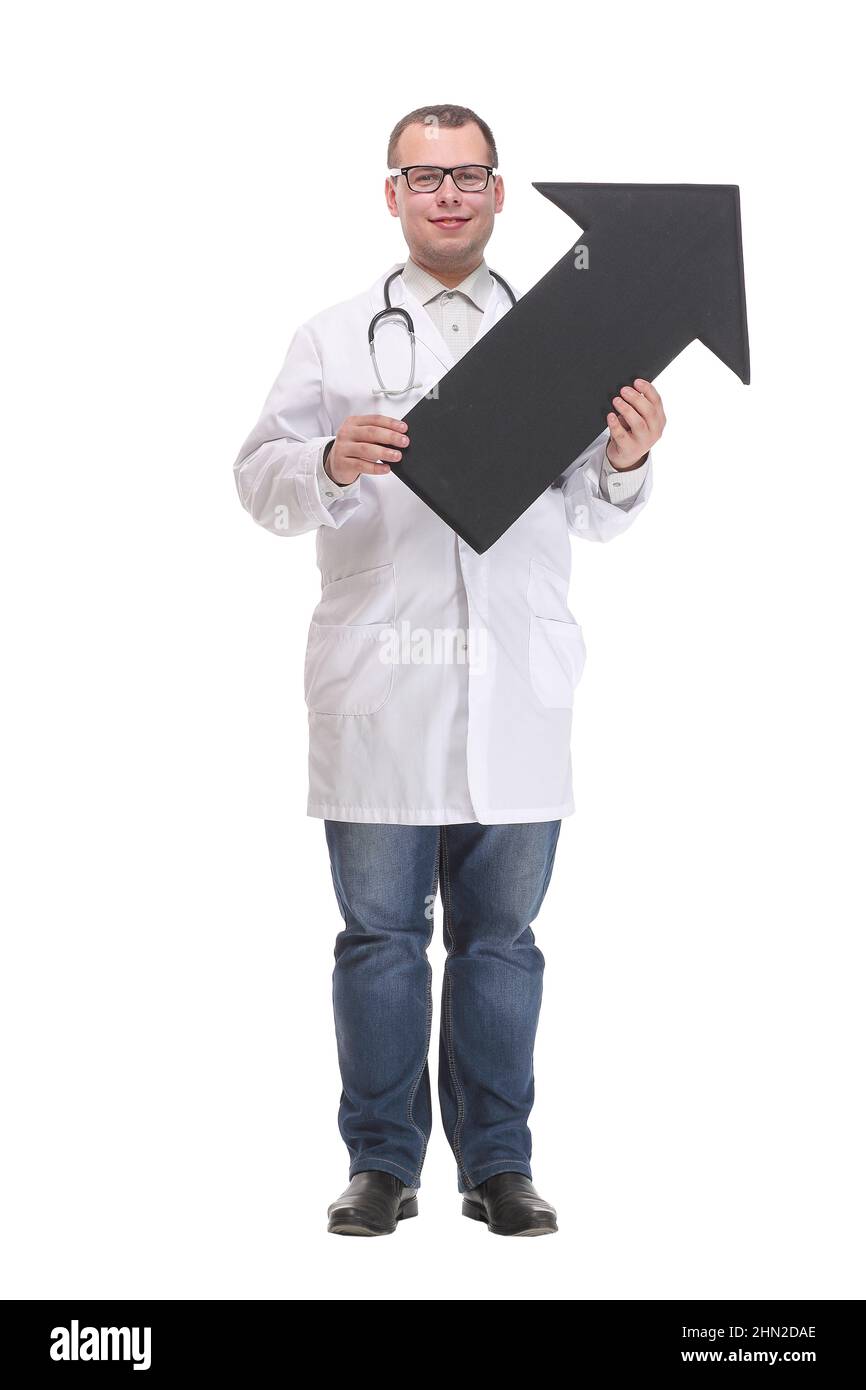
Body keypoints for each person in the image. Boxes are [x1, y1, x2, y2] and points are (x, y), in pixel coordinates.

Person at [232, 104, 666, 1237]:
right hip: (381, 687)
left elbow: (594, 511)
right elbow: (259, 482)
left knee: (500, 943)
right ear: (391, 194)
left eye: (468, 175)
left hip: (518, 687)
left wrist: (625, 459)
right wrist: (328, 456)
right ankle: (381, 1163)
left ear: (496, 190)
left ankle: (499, 1165)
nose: (446, 195)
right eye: (423, 177)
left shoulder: (563, 335)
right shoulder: (333, 338)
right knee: (378, 942)